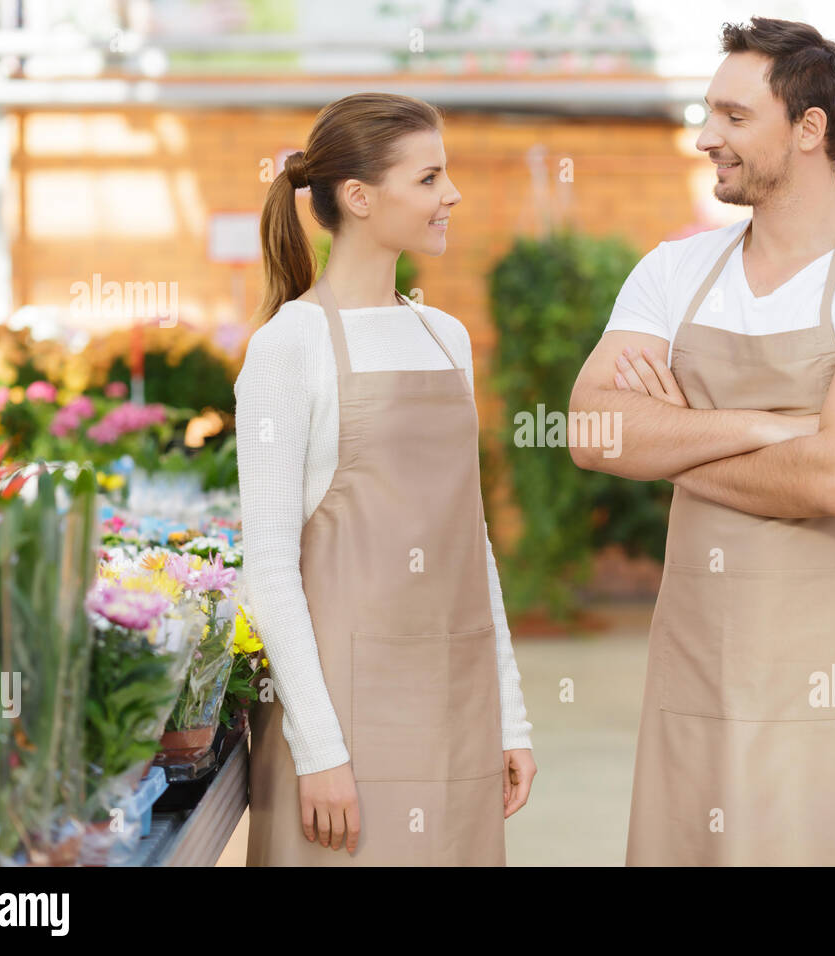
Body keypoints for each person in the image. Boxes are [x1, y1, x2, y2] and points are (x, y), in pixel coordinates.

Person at [569, 18, 835, 865]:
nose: (706, 138)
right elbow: (593, 433)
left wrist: (670, 441)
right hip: (702, 654)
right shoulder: (671, 270)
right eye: (708, 114)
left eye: (734, 118)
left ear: (809, 130)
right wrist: (765, 428)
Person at [236, 92, 535, 865]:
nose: (452, 195)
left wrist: (510, 719)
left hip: (455, 703)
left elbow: (472, 544)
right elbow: (268, 570)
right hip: (344, 720)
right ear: (360, 198)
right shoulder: (288, 348)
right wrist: (319, 752)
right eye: (430, 178)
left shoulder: (446, 337)